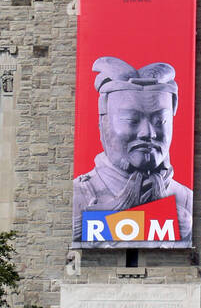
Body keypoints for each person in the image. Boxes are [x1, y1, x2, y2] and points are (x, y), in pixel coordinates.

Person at [72, 58, 193, 242]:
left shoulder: (188, 201)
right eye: (131, 121)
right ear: (103, 123)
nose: (148, 133)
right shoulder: (78, 196)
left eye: (160, 121)